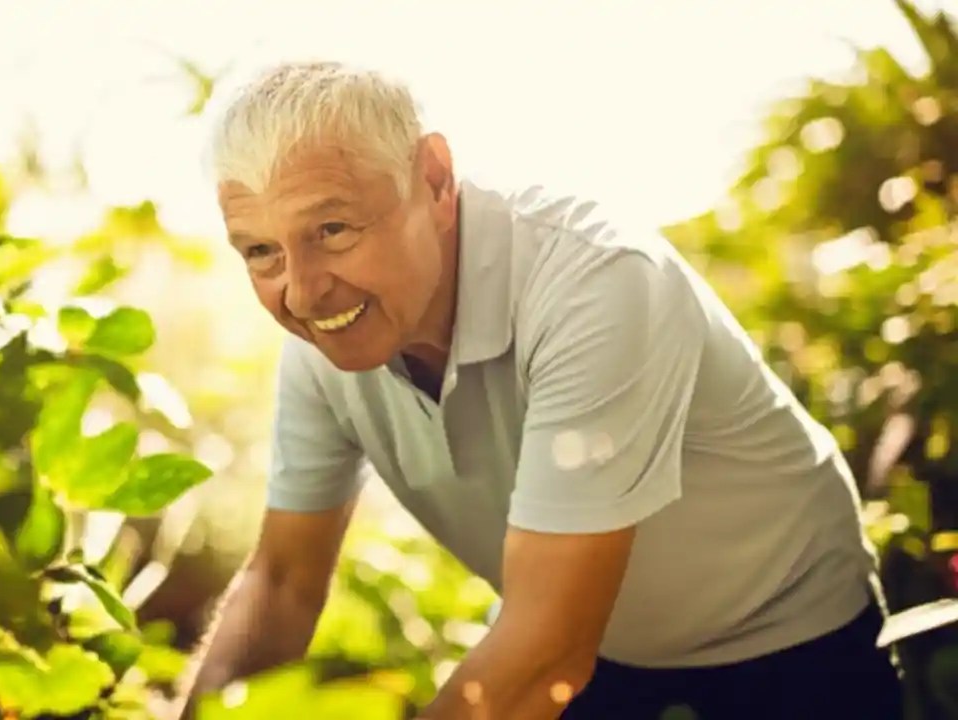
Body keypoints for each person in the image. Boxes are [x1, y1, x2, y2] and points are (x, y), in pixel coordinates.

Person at [175, 60, 904, 719]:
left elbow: (546, 652)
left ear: (433, 180)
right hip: (600, 654)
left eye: (332, 229)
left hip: (790, 638)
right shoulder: (323, 347)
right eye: (262, 252)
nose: (300, 293)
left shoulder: (595, 282)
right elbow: (281, 583)